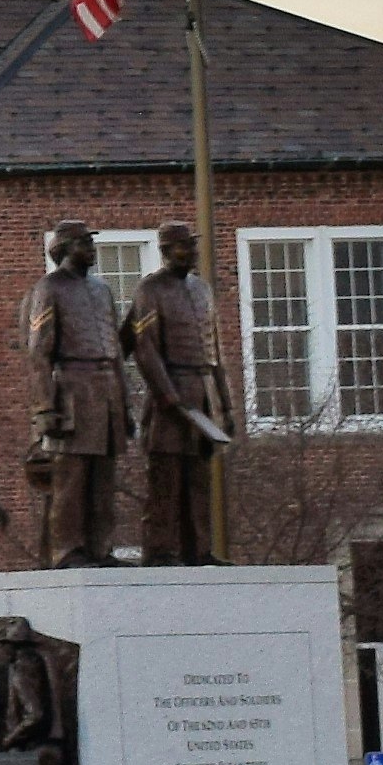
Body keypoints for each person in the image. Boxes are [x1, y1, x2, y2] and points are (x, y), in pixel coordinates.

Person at [19, 221, 132, 566]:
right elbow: (39, 353)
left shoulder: (102, 291)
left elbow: (114, 351)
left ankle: (101, 547)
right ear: (65, 248)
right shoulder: (49, 289)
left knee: (102, 477)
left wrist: (124, 406)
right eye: (85, 243)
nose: (91, 248)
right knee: (72, 479)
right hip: (72, 389)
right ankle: (67, 550)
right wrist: (44, 409)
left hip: (107, 389)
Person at [126, 221, 235, 566]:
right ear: (166, 250)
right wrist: (168, 395)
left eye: (193, 245)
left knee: (198, 479)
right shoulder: (150, 290)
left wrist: (226, 405)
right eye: (183, 246)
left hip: (202, 394)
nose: (191, 252)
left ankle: (199, 549)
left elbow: (214, 351)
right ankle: (160, 550)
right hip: (169, 399)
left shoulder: (202, 290)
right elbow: (145, 349)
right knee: (166, 479)